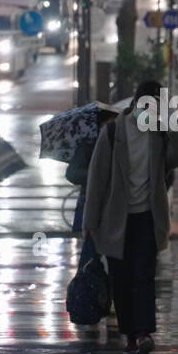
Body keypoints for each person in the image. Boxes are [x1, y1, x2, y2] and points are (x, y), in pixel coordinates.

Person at [83, 80, 178, 354]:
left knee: (143, 274)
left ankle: (143, 332)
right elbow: (96, 181)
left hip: (147, 216)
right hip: (116, 219)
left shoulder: (158, 134)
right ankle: (130, 334)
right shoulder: (111, 133)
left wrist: (170, 119)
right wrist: (89, 223)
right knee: (121, 278)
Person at [66, 110, 117, 276]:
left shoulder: (120, 145)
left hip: (114, 206)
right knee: (90, 254)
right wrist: (96, 173)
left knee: (115, 257)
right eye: (107, 123)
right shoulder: (87, 145)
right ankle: (88, 293)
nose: (110, 127)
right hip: (90, 204)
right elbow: (72, 174)